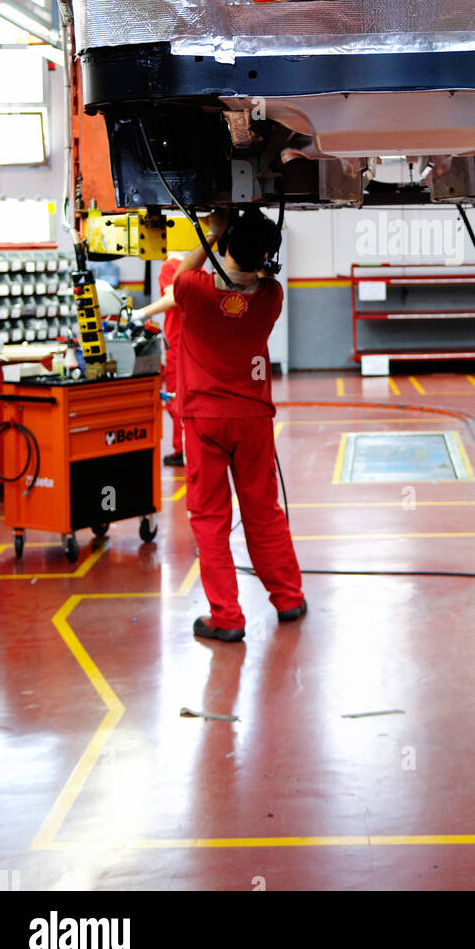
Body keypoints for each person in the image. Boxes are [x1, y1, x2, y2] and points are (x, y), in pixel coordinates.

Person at [167, 208, 305, 642]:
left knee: (209, 518)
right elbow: (257, 280)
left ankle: (226, 617)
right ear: (264, 258)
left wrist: (214, 229)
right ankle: (287, 597)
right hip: (252, 422)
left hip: (204, 421)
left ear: (223, 247)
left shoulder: (193, 289)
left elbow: (180, 274)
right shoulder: (271, 297)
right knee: (263, 511)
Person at [133, 252, 187, 466]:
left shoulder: (169, 266)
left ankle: (180, 449)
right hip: (195, 341)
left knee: (175, 397)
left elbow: (172, 298)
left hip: (177, 342)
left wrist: (140, 313)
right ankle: (189, 446)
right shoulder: (198, 266)